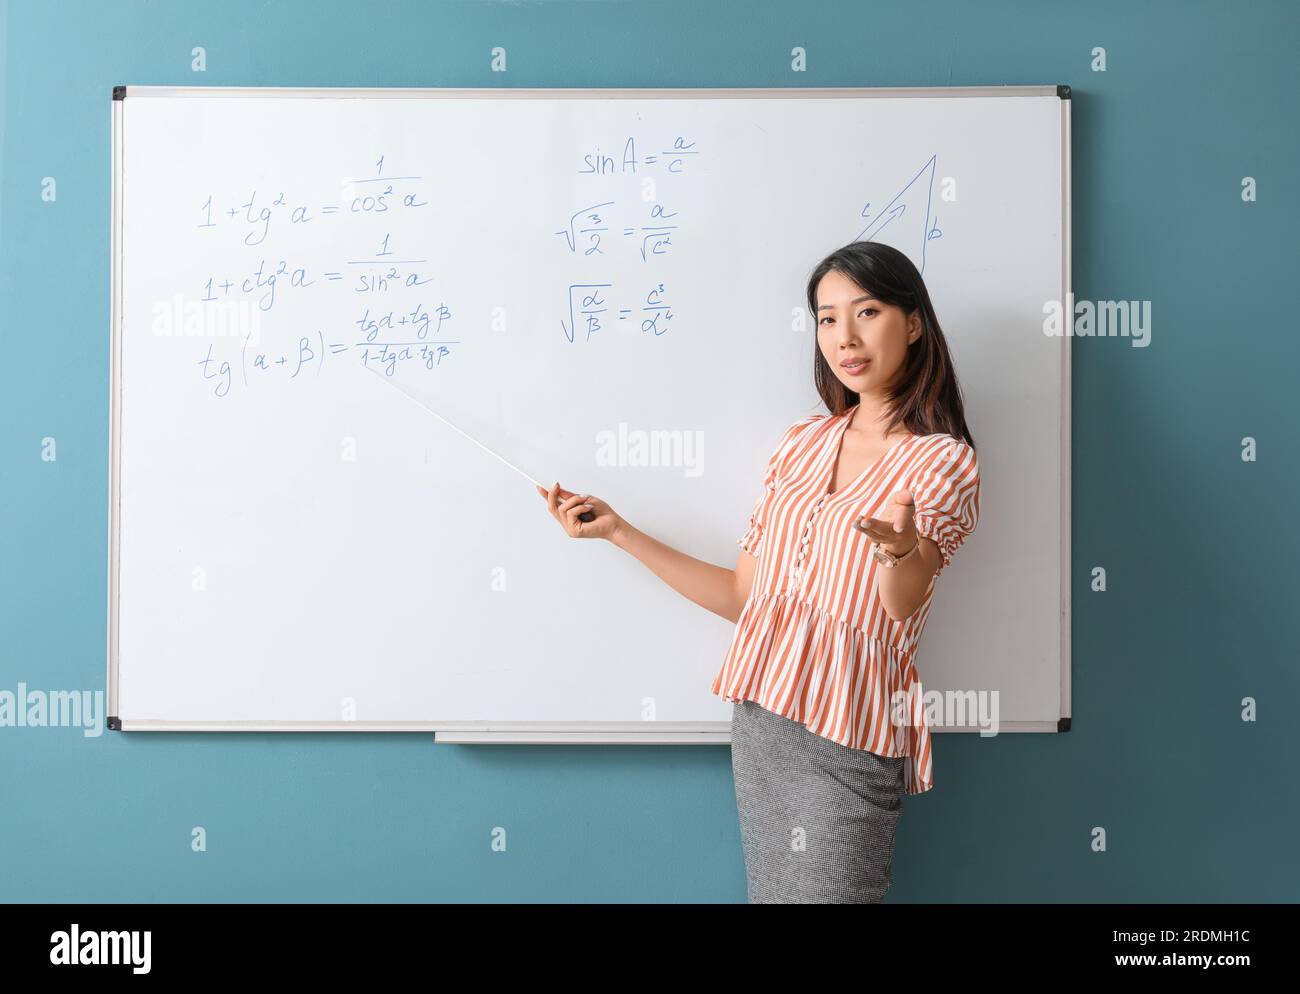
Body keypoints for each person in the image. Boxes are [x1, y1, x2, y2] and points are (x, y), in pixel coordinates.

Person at [537, 240, 981, 903]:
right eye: (827, 318)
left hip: (851, 728)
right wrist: (619, 531)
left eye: (867, 312)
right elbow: (745, 595)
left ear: (913, 323)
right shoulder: (800, 444)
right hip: (763, 723)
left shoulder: (942, 461)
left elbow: (901, 601)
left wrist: (898, 551)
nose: (845, 336)